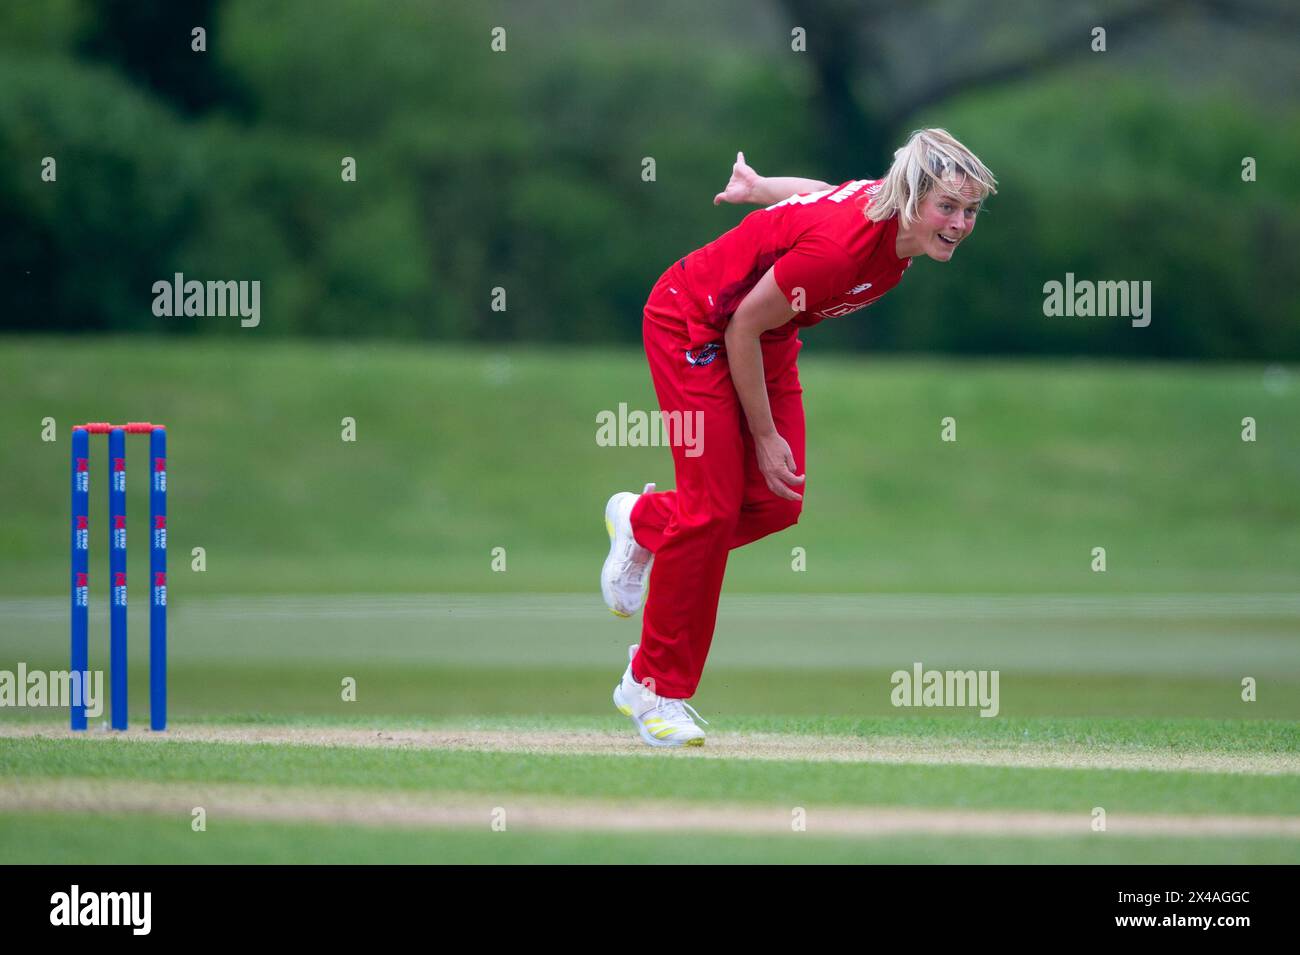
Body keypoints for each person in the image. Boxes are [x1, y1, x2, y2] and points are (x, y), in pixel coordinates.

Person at [601, 128, 998, 747]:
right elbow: (739, 327)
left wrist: (762, 191)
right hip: (695, 324)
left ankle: (646, 521)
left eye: (970, 210)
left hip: (766, 336)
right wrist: (762, 435)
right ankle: (652, 689)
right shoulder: (839, 255)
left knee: (776, 502)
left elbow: (818, 194)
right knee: (709, 512)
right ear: (909, 196)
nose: (960, 222)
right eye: (947, 206)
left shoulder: (882, 217)